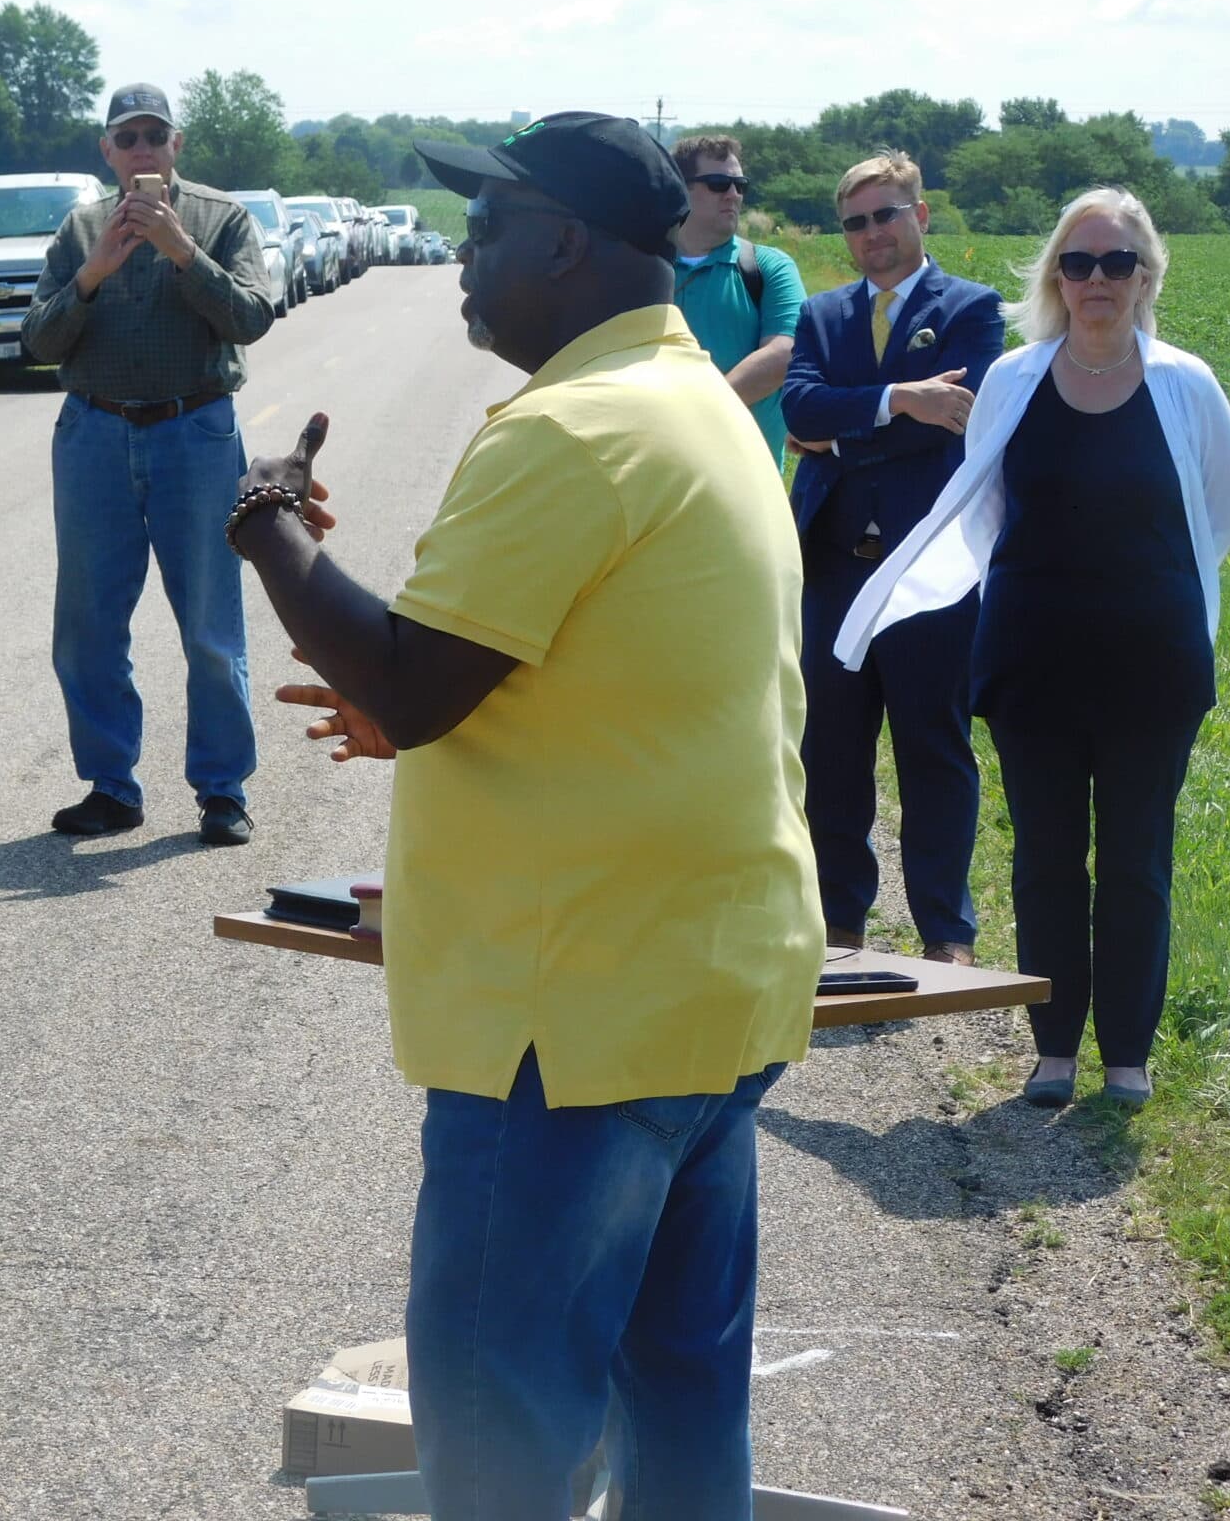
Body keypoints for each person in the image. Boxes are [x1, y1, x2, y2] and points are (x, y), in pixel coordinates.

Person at [231, 113, 824, 1521]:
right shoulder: (696, 409)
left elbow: (415, 682)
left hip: (570, 1022)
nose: (464, 254)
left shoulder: (574, 431)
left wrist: (264, 519)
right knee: (681, 1411)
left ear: (565, 240)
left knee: (504, 1450)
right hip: (703, 994)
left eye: (488, 225)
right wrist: (404, 699)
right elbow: (589, 680)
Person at [835, 187, 1230, 1108]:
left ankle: (1128, 1057)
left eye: (1116, 263)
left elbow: (1217, 516)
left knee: (1137, 859)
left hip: (1153, 662)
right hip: (1031, 661)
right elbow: (984, 502)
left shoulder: (1187, 384)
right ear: (1056, 275)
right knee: (1047, 857)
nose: (1096, 280)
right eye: (1078, 262)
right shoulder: (1015, 379)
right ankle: (1054, 1047)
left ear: (1146, 277)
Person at [20, 81, 275, 845]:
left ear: (176, 146)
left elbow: (252, 317)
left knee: (208, 623)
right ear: (106, 150)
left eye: (152, 136)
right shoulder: (80, 228)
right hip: (95, 434)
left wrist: (179, 250)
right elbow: (39, 340)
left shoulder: (221, 219)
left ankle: (222, 791)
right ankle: (110, 786)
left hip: (192, 429)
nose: (140, 151)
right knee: (88, 625)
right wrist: (92, 274)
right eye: (125, 138)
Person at [779, 150, 1005, 967]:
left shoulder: (974, 310)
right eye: (856, 221)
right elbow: (796, 400)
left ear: (921, 216)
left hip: (929, 567)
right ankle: (839, 926)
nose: (872, 234)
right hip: (836, 563)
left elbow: (960, 416)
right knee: (831, 750)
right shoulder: (824, 313)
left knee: (931, 747)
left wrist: (837, 436)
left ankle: (946, 934)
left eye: (886, 214)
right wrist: (900, 399)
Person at [668, 135, 805, 468]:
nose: (733, 195)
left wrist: (698, 415)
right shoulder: (643, 268)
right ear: (679, 188)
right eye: (718, 184)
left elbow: (784, 353)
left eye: (739, 185)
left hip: (747, 478)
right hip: (655, 475)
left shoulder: (768, 267)